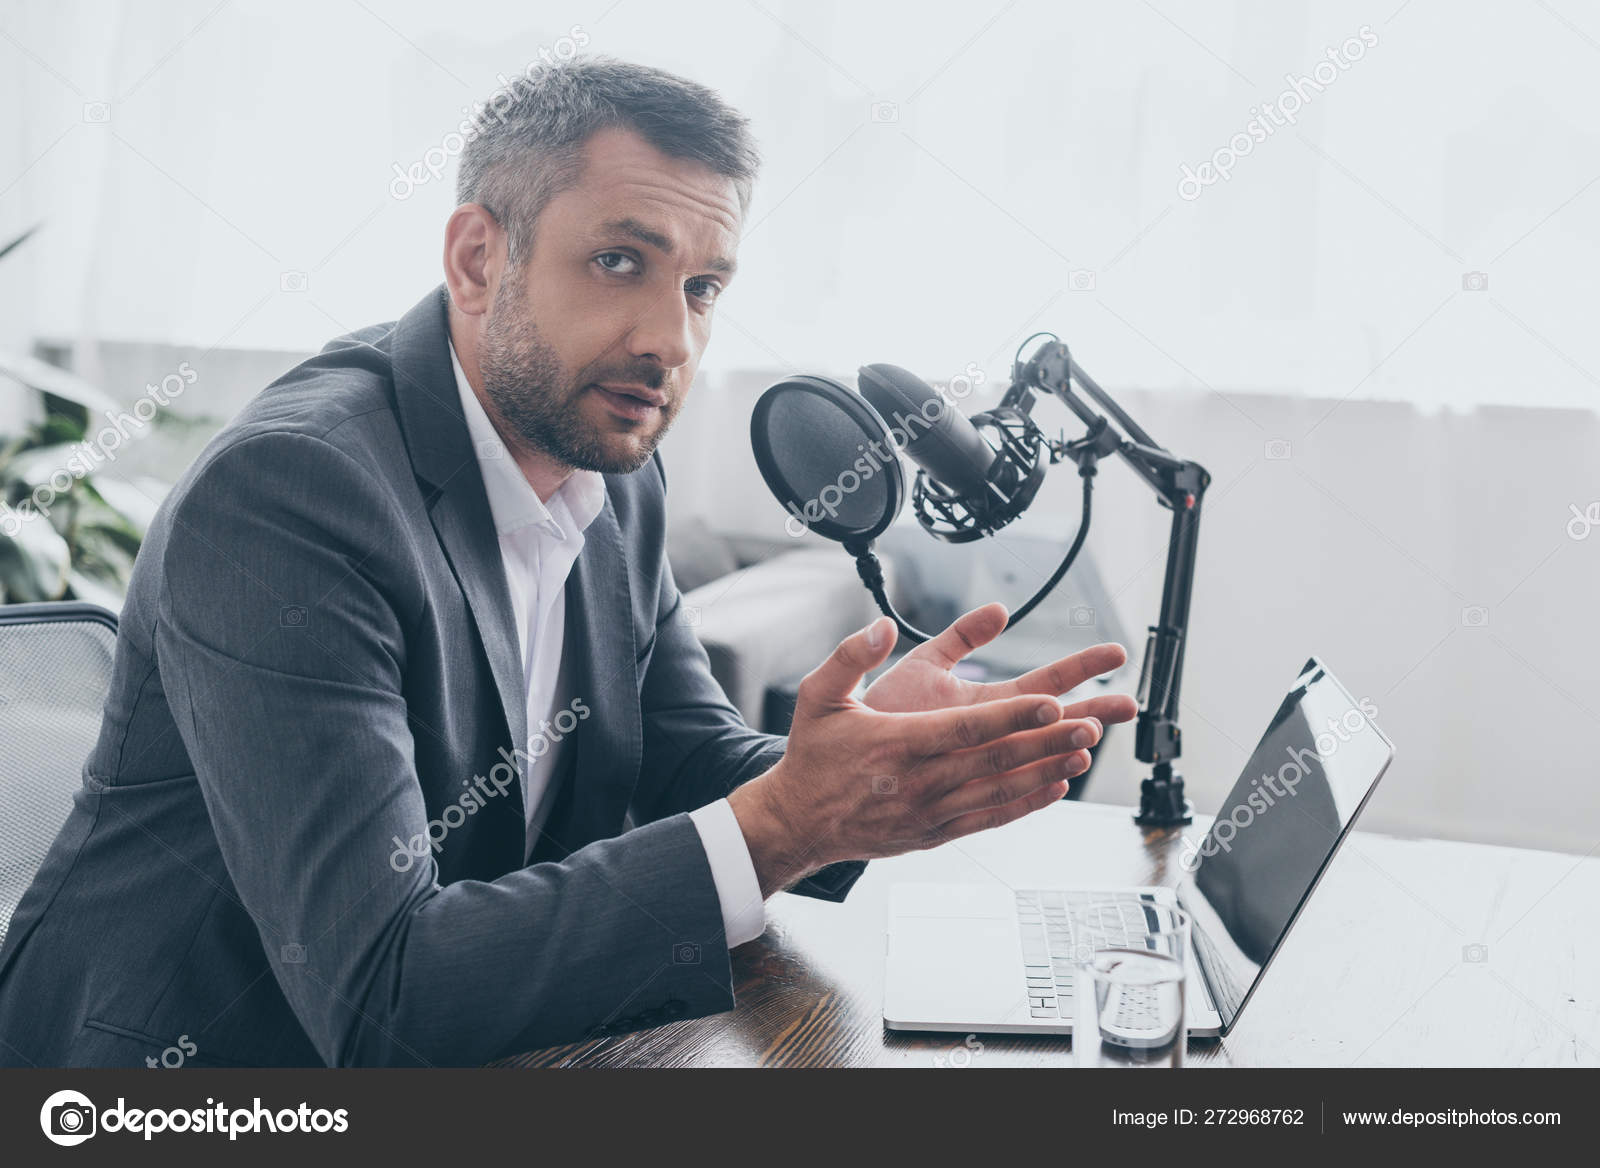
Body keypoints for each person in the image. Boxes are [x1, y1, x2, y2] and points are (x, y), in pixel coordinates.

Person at [0, 57, 1135, 1067]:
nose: (670, 340)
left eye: (702, 289)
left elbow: (686, 758)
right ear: (477, 257)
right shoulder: (293, 495)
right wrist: (789, 821)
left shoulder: (610, 466)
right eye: (618, 261)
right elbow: (380, 988)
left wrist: (861, 758)